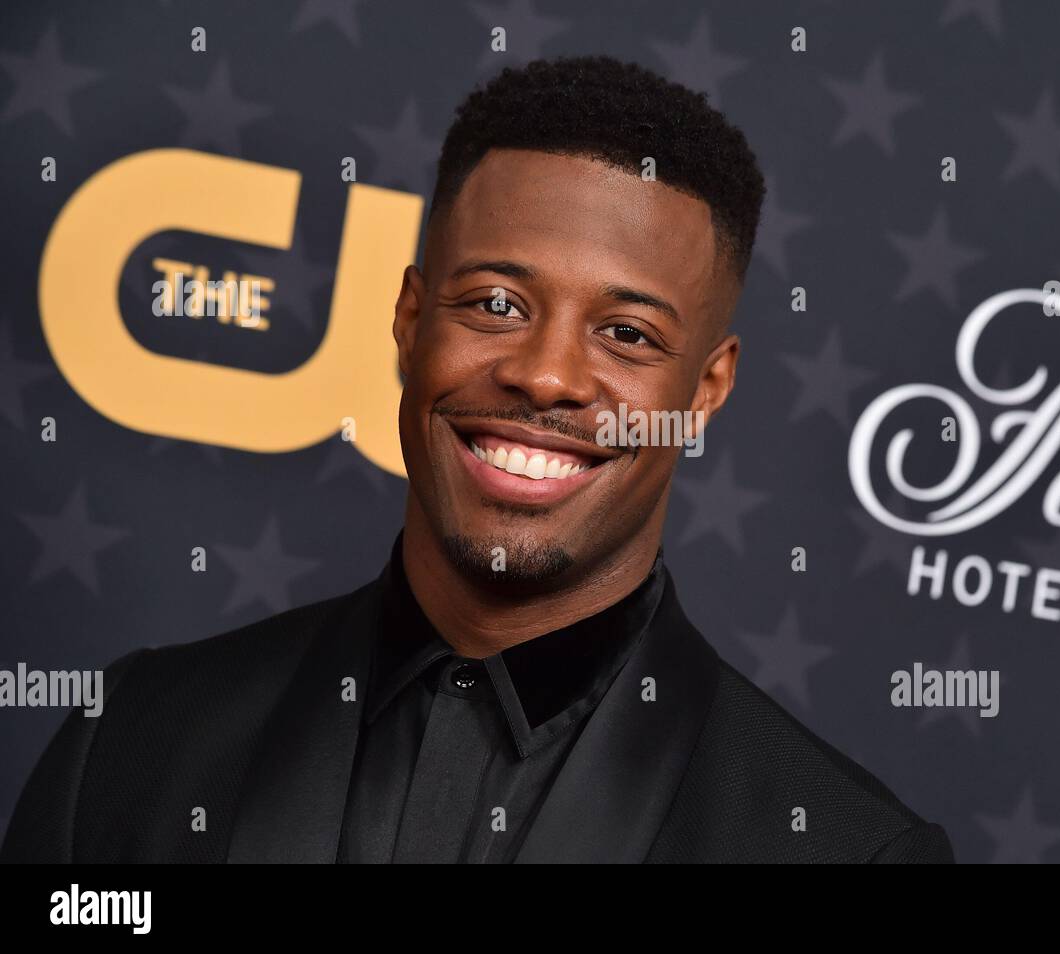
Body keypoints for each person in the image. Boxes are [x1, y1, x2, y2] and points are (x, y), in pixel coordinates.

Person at [2, 55, 953, 864]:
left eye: (625, 333)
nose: (545, 377)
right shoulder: (126, 742)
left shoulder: (842, 849)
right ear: (410, 321)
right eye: (497, 303)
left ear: (704, 392)